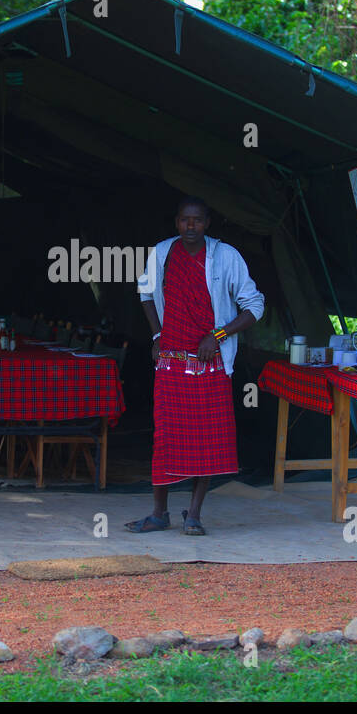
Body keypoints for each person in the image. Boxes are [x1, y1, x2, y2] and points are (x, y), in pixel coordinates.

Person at [126, 196, 264, 535]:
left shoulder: (226, 256)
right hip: (171, 362)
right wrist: (157, 335)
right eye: (185, 220)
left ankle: (195, 514)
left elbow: (254, 306)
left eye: (197, 220)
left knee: (206, 440)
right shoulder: (162, 252)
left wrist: (217, 334)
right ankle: (160, 513)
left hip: (210, 363)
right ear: (176, 222)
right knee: (167, 438)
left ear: (207, 223)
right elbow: (145, 294)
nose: (191, 226)